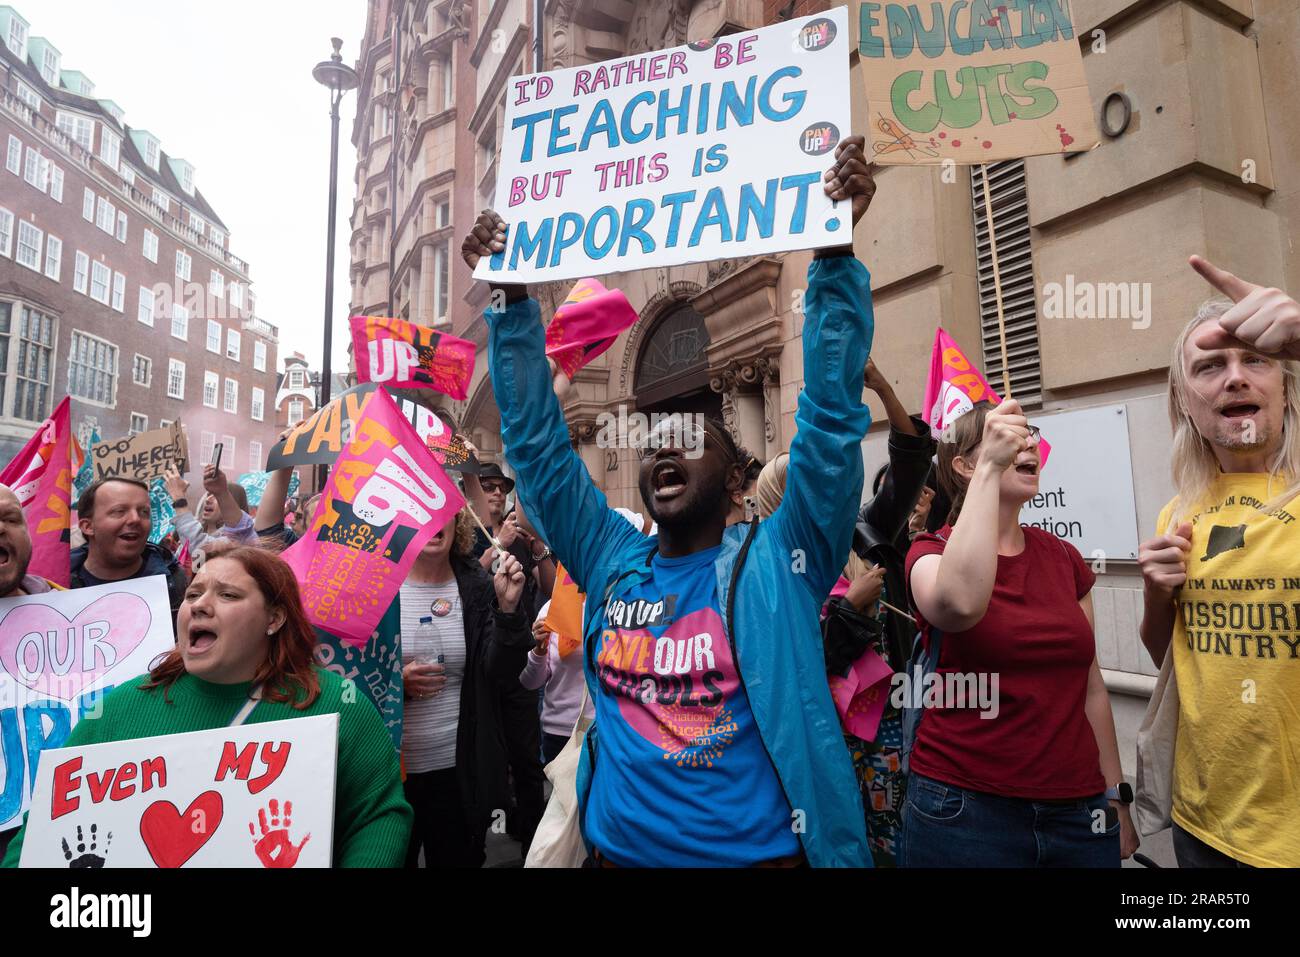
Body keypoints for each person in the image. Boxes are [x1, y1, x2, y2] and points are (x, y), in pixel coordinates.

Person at [461, 136, 878, 867]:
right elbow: (533, 444)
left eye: (690, 437)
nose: (662, 449)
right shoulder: (610, 556)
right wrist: (509, 297)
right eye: (654, 441)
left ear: (738, 479)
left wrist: (834, 255)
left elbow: (832, 424)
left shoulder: (782, 558)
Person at [2, 543, 411, 867]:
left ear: (274, 618)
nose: (198, 604)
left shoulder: (336, 704)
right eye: (193, 592)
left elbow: (379, 816)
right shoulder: (120, 708)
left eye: (228, 594)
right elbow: (46, 824)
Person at [902, 399, 1137, 867]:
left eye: (1030, 435)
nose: (1026, 443)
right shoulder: (929, 553)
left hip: (1077, 810)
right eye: (1005, 438)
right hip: (963, 814)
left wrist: (1115, 795)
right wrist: (992, 464)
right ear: (965, 466)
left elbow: (1090, 688)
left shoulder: (1064, 558)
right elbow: (960, 603)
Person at [1137, 256, 1300, 868]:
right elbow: (1172, 659)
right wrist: (1158, 596)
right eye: (1211, 366)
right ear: (1187, 402)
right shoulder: (1179, 514)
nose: (1235, 378)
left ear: (1285, 386)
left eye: (1255, 359)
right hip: (1200, 824)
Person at [397, 508, 535, 868]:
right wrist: (396, 685)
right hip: (392, 775)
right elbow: (358, 676)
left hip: (459, 772)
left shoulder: (474, 585)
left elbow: (502, 674)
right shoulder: (381, 587)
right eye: (418, 512)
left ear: (455, 523)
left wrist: (507, 610)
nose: (430, 521)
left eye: (439, 511)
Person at [70, 478, 187, 617]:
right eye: (119, 511)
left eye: (144, 512)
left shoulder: (174, 579)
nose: (135, 519)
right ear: (88, 526)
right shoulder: (56, 586)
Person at [166, 464, 258, 551]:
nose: (207, 499)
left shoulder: (240, 540)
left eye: (216, 496)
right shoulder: (186, 541)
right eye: (209, 494)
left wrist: (179, 499)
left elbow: (200, 547)